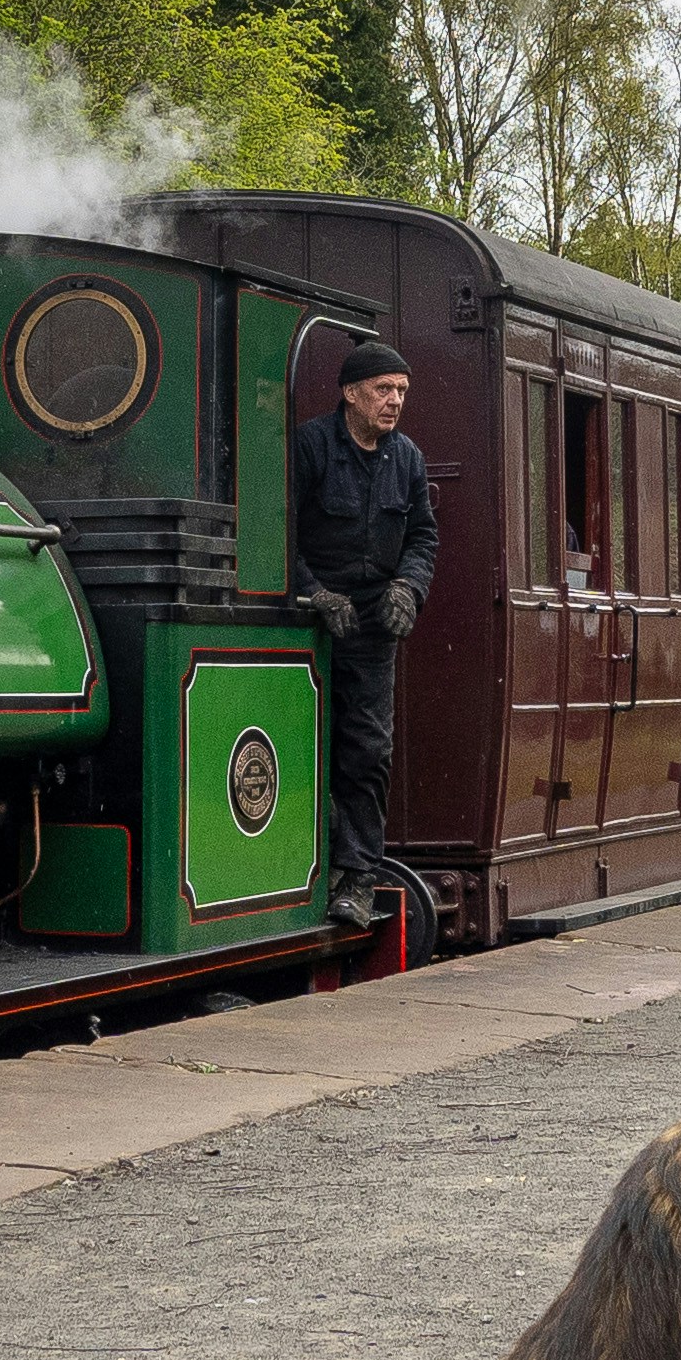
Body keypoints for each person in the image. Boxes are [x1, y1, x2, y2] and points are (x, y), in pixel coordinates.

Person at [291, 335, 437, 931]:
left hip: (375, 623)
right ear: (350, 394)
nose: (395, 400)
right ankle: (299, 864)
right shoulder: (309, 447)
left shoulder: (408, 458)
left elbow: (424, 538)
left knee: (368, 750)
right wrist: (313, 592)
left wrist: (409, 587)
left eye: (402, 390)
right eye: (384, 389)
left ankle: (356, 877)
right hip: (306, 619)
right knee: (303, 744)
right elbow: (278, 529)